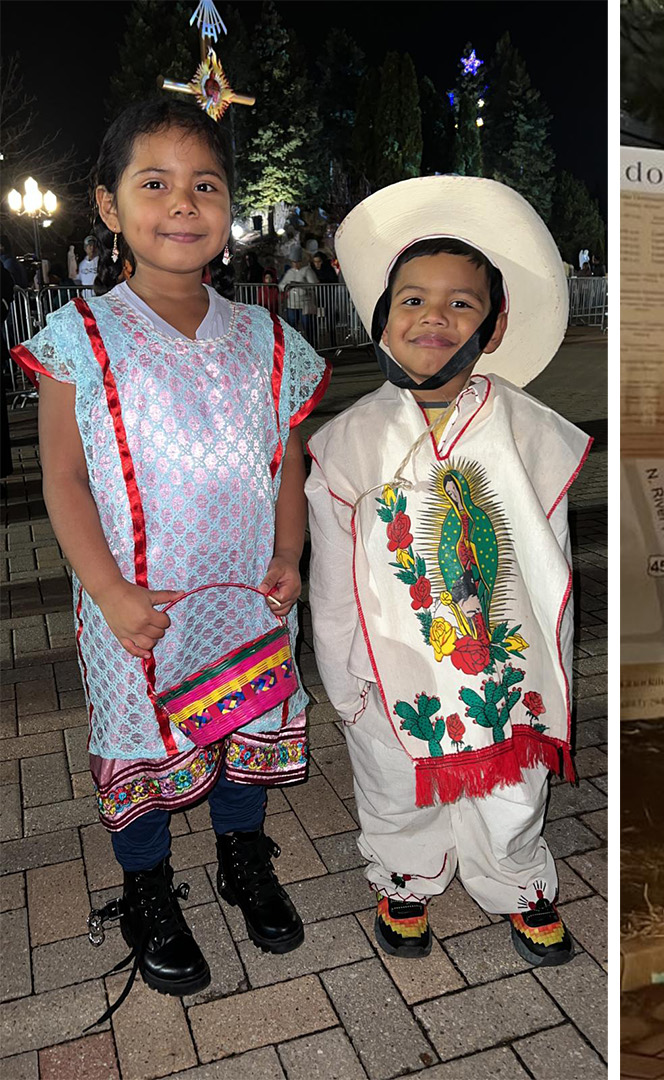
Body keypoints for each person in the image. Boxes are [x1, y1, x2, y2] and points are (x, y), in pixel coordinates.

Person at [7, 99, 323, 1009]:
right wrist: (105, 589)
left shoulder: (269, 338)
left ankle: (241, 856)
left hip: (250, 593)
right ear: (109, 207)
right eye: (155, 184)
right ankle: (145, 887)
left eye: (205, 185)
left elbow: (287, 459)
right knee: (139, 735)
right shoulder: (80, 338)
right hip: (136, 602)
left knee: (249, 716)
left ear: (228, 208)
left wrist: (289, 554)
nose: (182, 204)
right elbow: (63, 479)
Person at [306, 175, 590, 968]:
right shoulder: (349, 443)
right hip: (391, 656)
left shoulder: (531, 433)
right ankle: (405, 874)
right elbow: (331, 575)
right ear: (382, 319)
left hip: (501, 651)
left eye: (462, 303)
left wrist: (553, 656)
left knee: (511, 785)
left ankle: (514, 879)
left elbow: (553, 564)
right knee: (396, 772)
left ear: (492, 328)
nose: (435, 317)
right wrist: (344, 668)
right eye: (413, 300)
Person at [279, 249, 319, 342]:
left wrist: (299, 284)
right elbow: (281, 285)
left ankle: (312, 343)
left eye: (297, 262)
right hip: (292, 303)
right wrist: (287, 286)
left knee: (307, 326)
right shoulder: (290, 272)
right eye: (293, 262)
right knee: (292, 325)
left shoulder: (307, 270)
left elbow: (313, 284)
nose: (295, 264)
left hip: (304, 303)